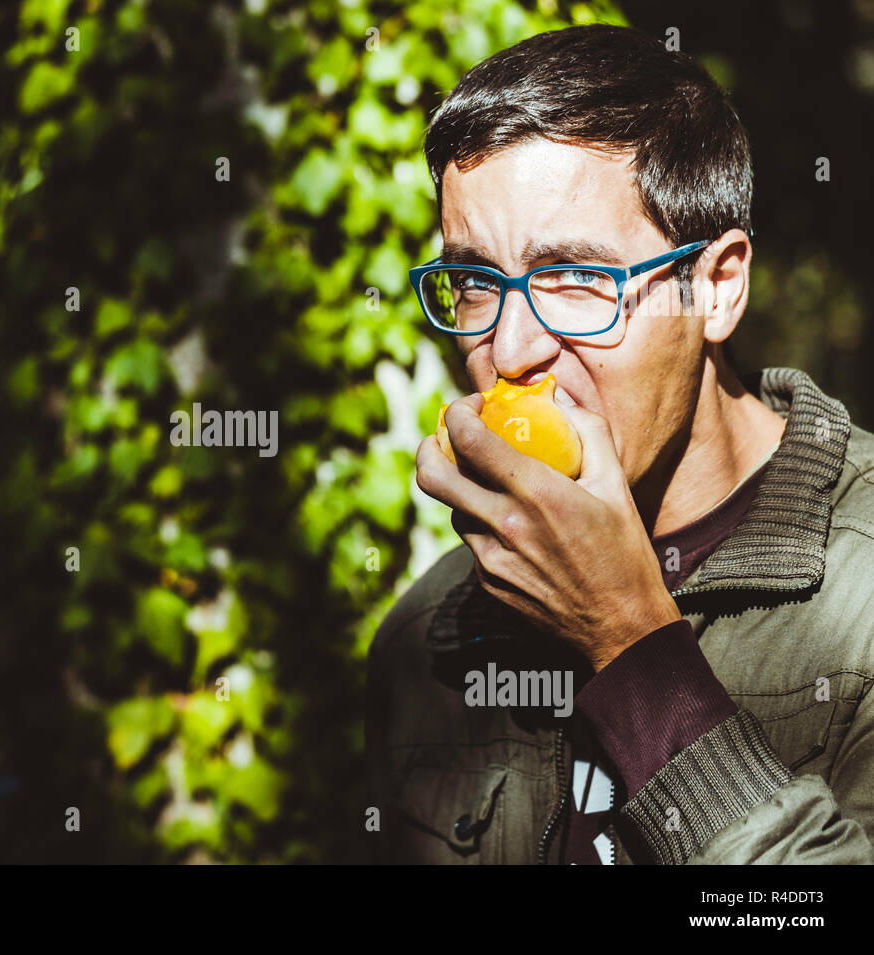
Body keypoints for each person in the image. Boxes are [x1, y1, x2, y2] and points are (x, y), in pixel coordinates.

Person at [366, 23, 874, 864]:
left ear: (716, 288)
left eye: (575, 278)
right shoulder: (429, 636)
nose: (512, 348)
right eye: (477, 282)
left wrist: (631, 644)